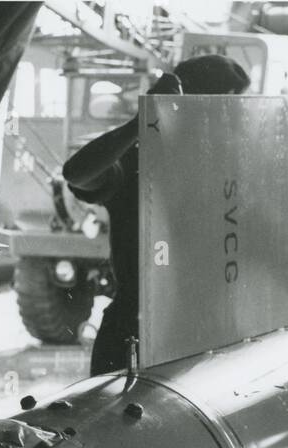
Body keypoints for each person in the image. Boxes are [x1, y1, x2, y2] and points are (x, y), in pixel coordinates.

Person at [63, 54, 250, 376]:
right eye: (228, 107)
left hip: (213, 329)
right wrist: (142, 121)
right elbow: (77, 173)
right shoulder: (140, 159)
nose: (236, 118)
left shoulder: (236, 166)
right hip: (136, 331)